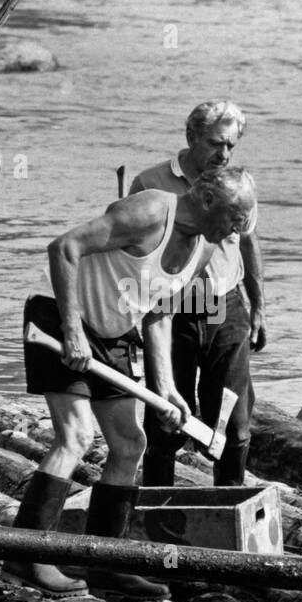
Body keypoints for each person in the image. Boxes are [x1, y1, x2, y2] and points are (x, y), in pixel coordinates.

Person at [1, 167, 259, 599]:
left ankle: (104, 565)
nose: (236, 233)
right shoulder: (152, 211)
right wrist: (72, 329)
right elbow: (64, 247)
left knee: (129, 444)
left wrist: (167, 387)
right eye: (234, 221)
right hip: (57, 318)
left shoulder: (203, 249)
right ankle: (25, 558)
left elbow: (159, 312)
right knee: (75, 437)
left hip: (116, 332)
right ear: (210, 201)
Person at [127, 101, 266, 487]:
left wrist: (258, 309)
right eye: (215, 144)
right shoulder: (151, 182)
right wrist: (132, 314)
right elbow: (130, 253)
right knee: (164, 422)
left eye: (231, 147)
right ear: (191, 137)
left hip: (226, 306)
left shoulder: (238, 186)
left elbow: (250, 244)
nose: (223, 154)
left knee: (234, 425)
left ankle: (230, 505)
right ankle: (157, 512)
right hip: (172, 312)